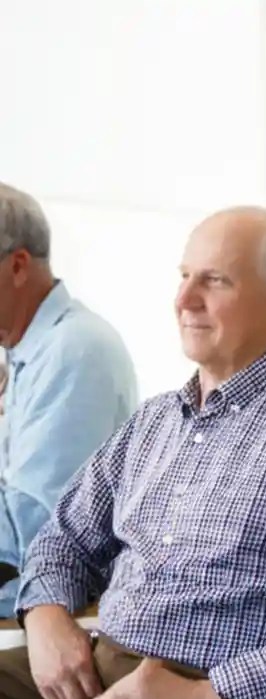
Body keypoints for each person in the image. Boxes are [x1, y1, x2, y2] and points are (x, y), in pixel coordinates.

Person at [0, 207, 266, 699]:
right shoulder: (155, 420)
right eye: (184, 277)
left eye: (215, 281)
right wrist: (45, 618)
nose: (184, 300)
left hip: (193, 692)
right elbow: (62, 540)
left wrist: (218, 695)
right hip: (97, 663)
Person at [0, 182, 137, 618]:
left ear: (18, 265)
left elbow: (37, 536)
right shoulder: (25, 355)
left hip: (56, 610)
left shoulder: (73, 350)